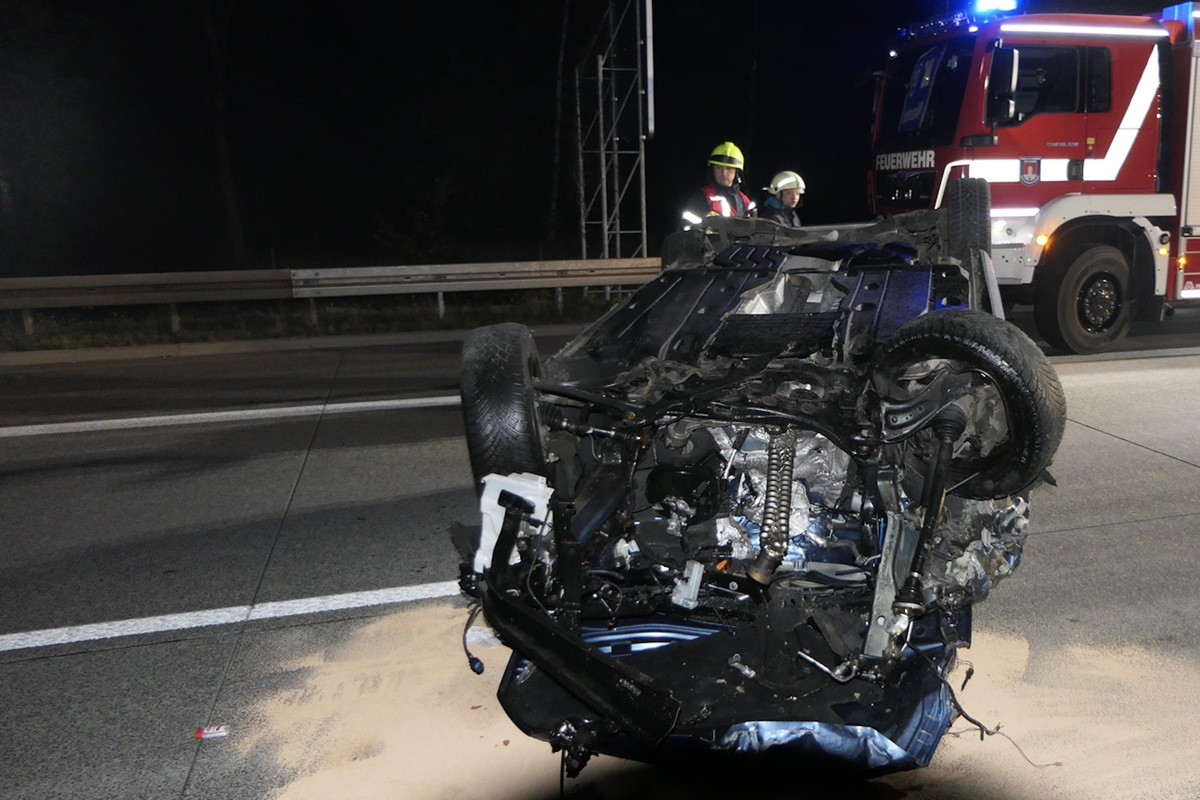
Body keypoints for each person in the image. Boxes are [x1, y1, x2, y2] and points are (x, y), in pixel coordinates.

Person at [681, 142, 756, 228]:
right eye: (719, 168)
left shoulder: (745, 202)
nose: (724, 173)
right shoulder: (700, 198)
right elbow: (685, 231)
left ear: (737, 172)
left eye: (729, 168)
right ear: (712, 170)